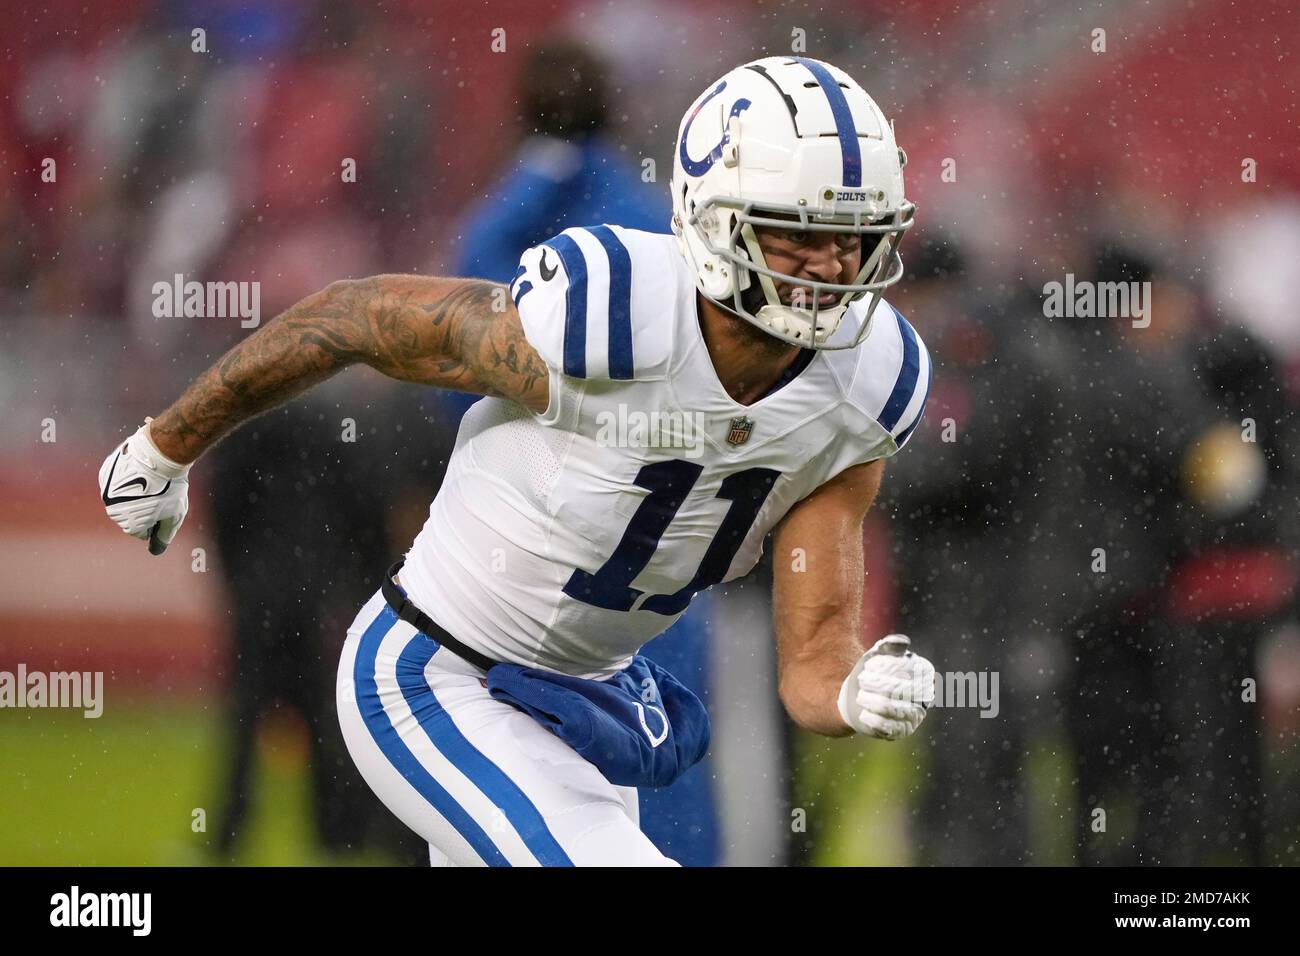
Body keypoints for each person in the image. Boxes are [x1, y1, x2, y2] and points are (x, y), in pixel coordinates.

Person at [98, 56, 937, 866]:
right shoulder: (607, 314)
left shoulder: (867, 384)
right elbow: (355, 318)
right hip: (437, 674)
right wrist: (165, 444)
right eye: (803, 234)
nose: (833, 266)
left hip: (590, 704)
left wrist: (852, 692)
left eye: (855, 236)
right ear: (717, 217)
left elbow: (814, 658)